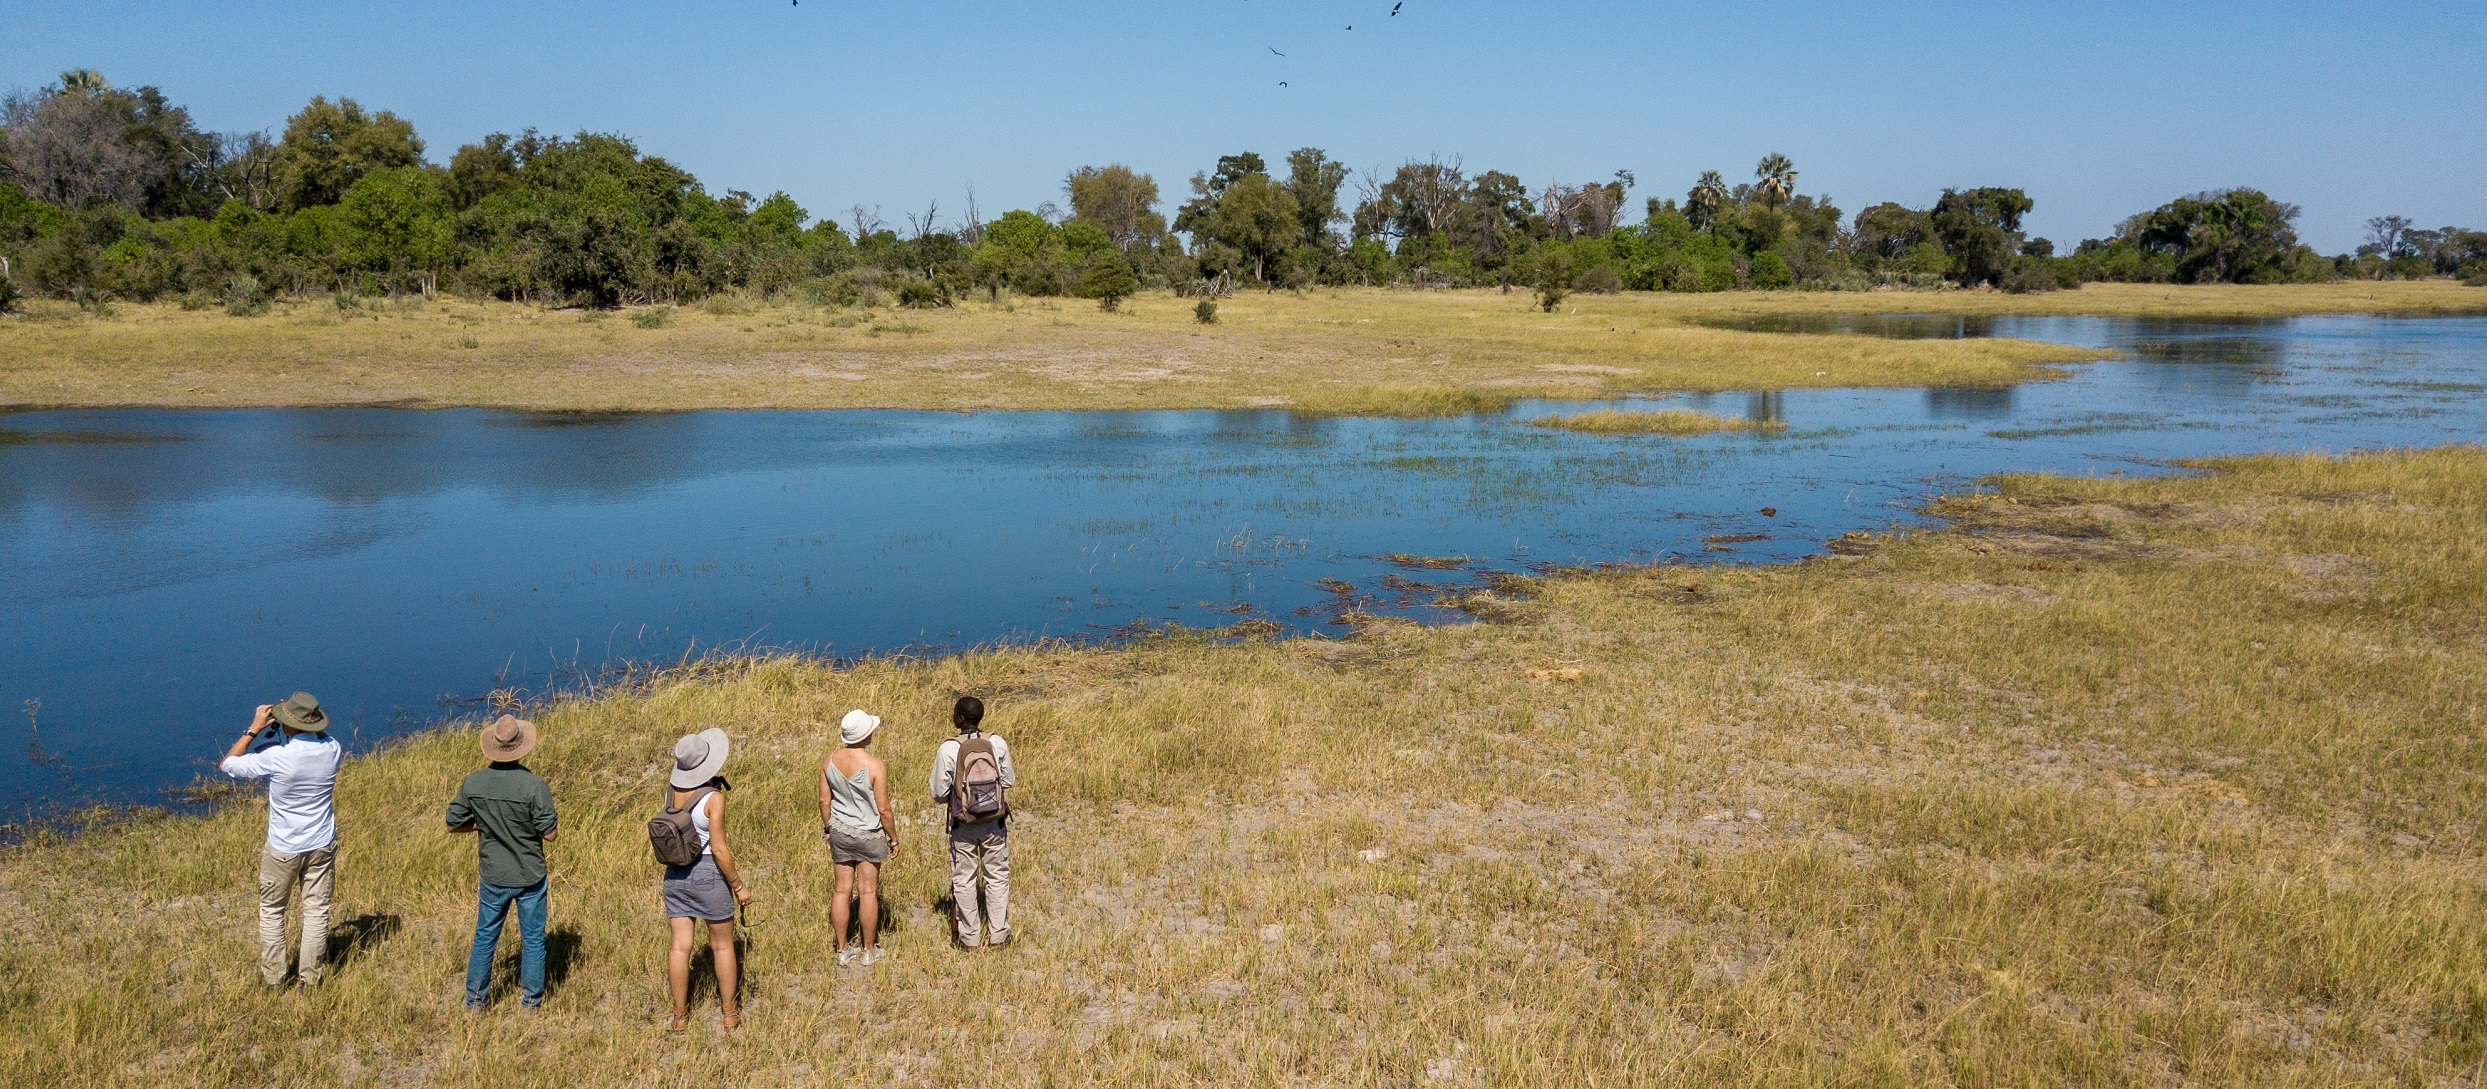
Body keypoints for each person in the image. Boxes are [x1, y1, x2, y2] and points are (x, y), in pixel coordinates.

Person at [219, 691, 343, 988]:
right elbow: (318, 737)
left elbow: (229, 765)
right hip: (322, 842)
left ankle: (274, 978)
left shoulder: (276, 757)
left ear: (288, 723)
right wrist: (296, 726)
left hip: (285, 847)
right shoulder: (333, 749)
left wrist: (254, 729)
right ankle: (310, 979)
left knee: (273, 910)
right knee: (316, 911)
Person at [446, 714, 558, 1010]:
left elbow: (452, 823)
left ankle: (475, 1001)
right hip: (530, 874)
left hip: (493, 873)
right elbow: (550, 835)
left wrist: (483, 824)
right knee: (533, 939)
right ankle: (531, 1002)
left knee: (485, 936)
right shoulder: (534, 785)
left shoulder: (474, 781)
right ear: (522, 746)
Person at [660, 728, 751, 1030]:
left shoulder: (671, 791)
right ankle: (729, 1013)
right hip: (708, 873)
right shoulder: (714, 798)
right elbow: (721, 849)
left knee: (680, 946)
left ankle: (679, 1016)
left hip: (675, 874)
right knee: (723, 946)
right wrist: (738, 886)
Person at [928, 695, 1016, 949]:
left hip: (963, 823)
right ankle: (999, 934)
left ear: (961, 718)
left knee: (964, 878)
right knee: (997, 876)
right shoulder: (996, 742)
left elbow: (937, 792)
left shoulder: (948, 748)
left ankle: (969, 938)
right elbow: (1008, 781)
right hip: (994, 821)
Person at [821, 709, 897, 966]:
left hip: (840, 830)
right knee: (868, 891)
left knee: (841, 890)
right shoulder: (875, 764)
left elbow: (824, 800)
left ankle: (843, 949)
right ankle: (868, 950)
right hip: (869, 833)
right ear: (865, 735)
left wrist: (828, 829)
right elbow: (884, 808)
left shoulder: (829, 759)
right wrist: (893, 838)